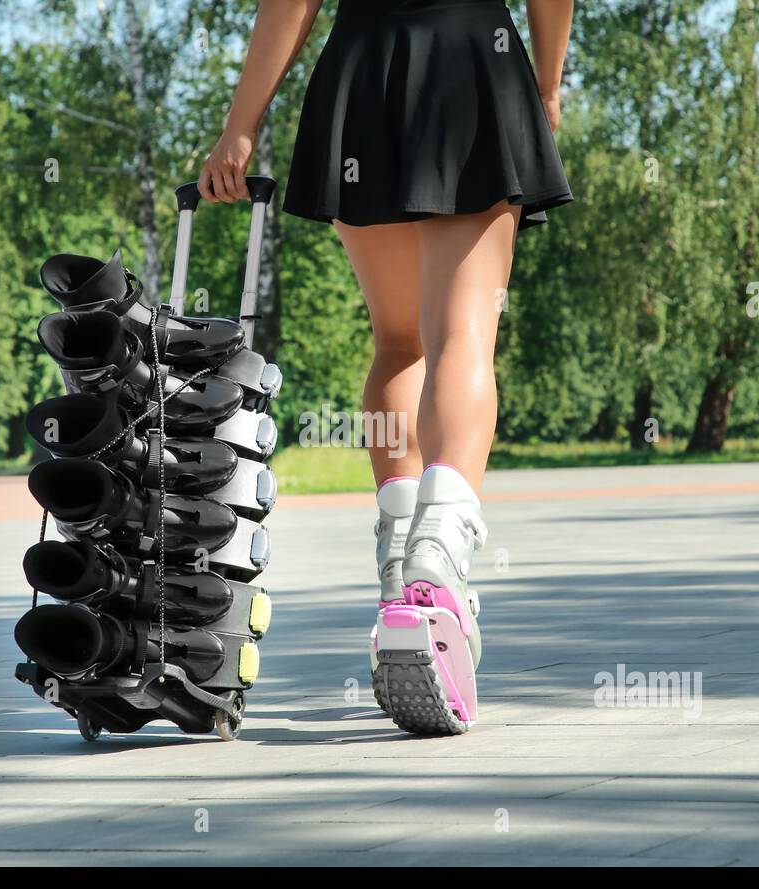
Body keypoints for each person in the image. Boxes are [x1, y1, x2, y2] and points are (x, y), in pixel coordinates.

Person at [198, 0, 574, 731]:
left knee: (400, 341)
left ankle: (401, 560)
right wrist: (548, 82)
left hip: (364, 69)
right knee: (462, 336)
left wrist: (240, 126)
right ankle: (440, 554)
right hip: (471, 57)